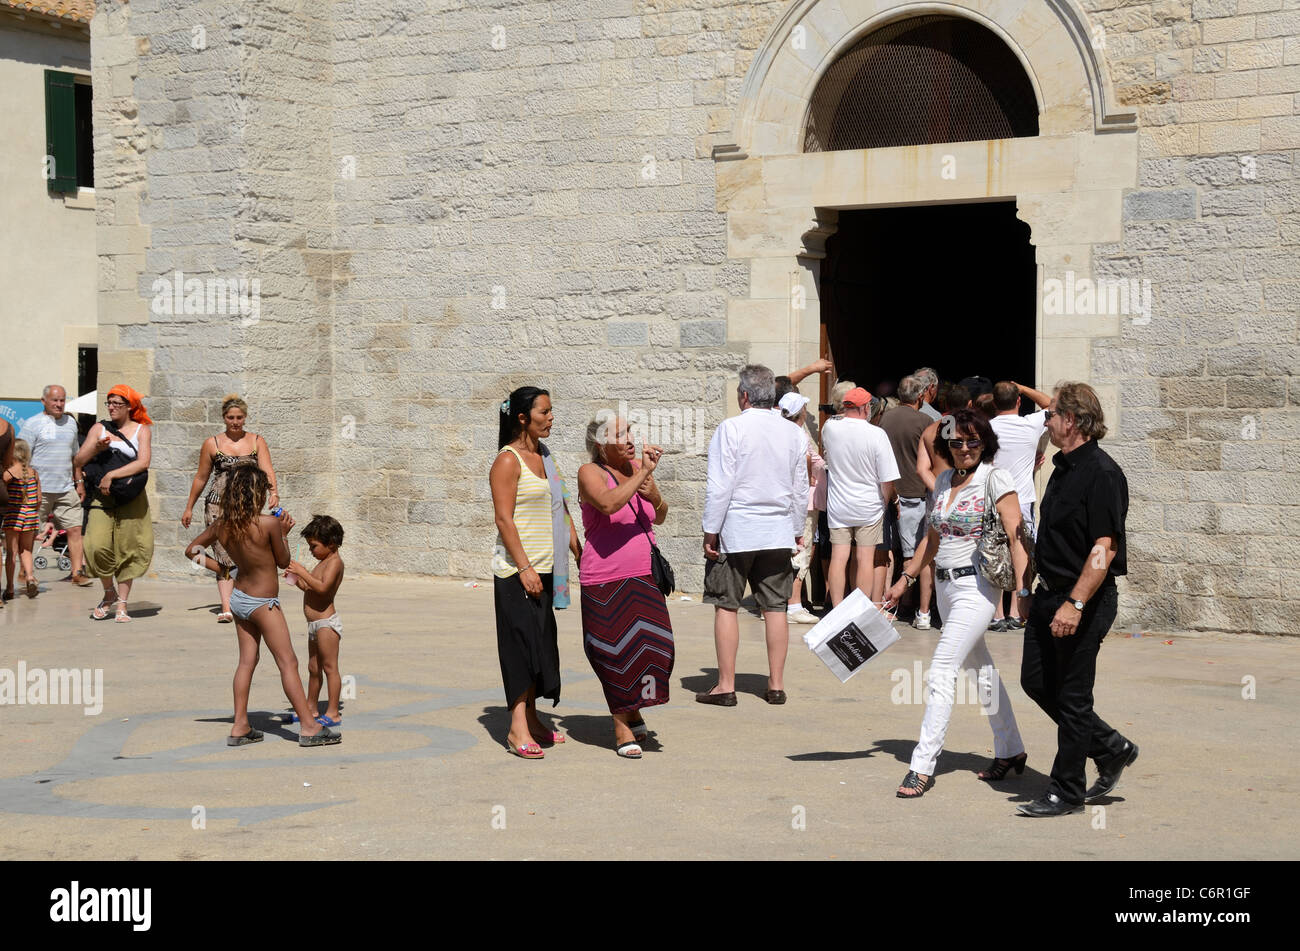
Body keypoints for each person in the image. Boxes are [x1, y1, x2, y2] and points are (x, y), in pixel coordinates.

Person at [884, 409, 1032, 799]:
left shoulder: (994, 478)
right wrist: (905, 580)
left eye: (972, 441)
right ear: (945, 446)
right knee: (981, 671)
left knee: (940, 672)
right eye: (955, 442)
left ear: (985, 444)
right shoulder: (945, 479)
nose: (964, 448)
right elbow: (932, 539)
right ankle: (1011, 749)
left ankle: (922, 766)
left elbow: (1018, 537)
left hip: (977, 589)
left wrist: (1022, 592)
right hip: (946, 593)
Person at [1017, 383, 1135, 817]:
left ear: (1072, 421)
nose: (1045, 422)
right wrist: (1028, 589)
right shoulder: (1062, 466)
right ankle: (1110, 746)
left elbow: (1104, 547)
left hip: (1082, 600)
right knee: (1035, 682)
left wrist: (1077, 603)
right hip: (1048, 595)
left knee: (1072, 696)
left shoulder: (1103, 474)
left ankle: (1065, 791)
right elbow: (1049, 535)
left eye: (1051, 415)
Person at [186, 467, 339, 747]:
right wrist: (284, 534)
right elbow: (283, 562)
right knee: (288, 662)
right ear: (256, 493)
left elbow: (191, 550)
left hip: (239, 599)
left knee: (247, 662)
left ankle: (240, 726)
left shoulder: (222, 524)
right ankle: (308, 727)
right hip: (263, 603)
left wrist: (222, 568)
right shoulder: (267, 524)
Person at [698, 364, 809, 706]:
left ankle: (726, 685)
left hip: (738, 529)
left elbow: (720, 485)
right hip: (777, 529)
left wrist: (710, 530)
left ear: (744, 395)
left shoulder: (731, 428)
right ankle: (776, 685)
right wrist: (796, 530)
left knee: (726, 606)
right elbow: (799, 487)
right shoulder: (793, 432)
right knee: (776, 607)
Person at [490, 386, 581, 759]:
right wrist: (524, 566)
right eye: (544, 412)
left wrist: (578, 549)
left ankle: (533, 716)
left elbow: (561, 508)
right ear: (523, 417)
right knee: (520, 649)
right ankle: (516, 727)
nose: (551, 418)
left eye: (551, 410)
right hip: (515, 571)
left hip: (547, 569)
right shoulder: (507, 461)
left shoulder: (546, 457)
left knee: (542, 649)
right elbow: (503, 518)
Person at [577, 415, 674, 758]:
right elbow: (608, 504)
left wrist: (656, 493)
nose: (630, 438)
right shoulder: (590, 473)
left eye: (630, 431)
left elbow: (658, 515)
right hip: (604, 578)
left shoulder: (636, 468)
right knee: (613, 653)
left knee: (652, 648)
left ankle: (633, 709)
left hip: (644, 575)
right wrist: (644, 474)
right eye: (619, 434)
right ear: (601, 444)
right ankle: (621, 725)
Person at [181, 395, 280, 623]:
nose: (235, 421)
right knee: (222, 554)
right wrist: (189, 507)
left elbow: (267, 470)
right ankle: (226, 606)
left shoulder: (256, 441)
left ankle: (244, 595)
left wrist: (274, 494)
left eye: (239, 417)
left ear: (245, 418)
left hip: (247, 505)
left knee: (245, 550)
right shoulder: (212, 444)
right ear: (224, 418)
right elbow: (201, 477)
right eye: (230, 417)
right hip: (218, 503)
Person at [74, 386, 154, 623]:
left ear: (129, 406)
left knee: (128, 547)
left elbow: (143, 463)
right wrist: (96, 448)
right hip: (102, 496)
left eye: (117, 404)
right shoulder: (99, 428)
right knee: (96, 544)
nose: (111, 407)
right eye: (109, 403)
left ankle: (122, 604)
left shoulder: (142, 430)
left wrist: (112, 475)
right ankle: (109, 592)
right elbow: (78, 460)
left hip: (131, 496)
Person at [821, 386, 899, 608]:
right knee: (865, 559)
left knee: (839, 557)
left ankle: (837, 607)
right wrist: (886, 502)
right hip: (868, 505)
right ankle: (859, 609)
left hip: (839, 504)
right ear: (866, 408)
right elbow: (887, 480)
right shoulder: (877, 434)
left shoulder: (830, 429)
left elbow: (835, 418)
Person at [988, 380, 1052, 631]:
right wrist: (1023, 389)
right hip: (1022, 498)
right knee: (1021, 553)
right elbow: (1053, 404)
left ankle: (996, 614)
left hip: (993, 498)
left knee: (993, 553)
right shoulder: (1031, 424)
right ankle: (1017, 610)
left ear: (994, 403)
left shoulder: (986, 428)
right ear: (1018, 402)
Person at [18, 385, 91, 585]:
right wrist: (25, 485)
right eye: (54, 400)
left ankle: (77, 573)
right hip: (38, 489)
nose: (59, 404)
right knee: (30, 533)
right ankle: (26, 572)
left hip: (66, 487)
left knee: (75, 529)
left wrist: (79, 483)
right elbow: (21, 457)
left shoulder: (71, 423)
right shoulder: (32, 424)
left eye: (62, 400)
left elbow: (75, 457)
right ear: (44, 401)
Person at [879, 374, 935, 627]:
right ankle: (910, 605)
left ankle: (890, 601)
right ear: (921, 395)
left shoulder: (885, 418)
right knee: (915, 554)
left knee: (891, 551)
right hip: (916, 493)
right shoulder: (925, 421)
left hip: (890, 493)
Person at [285, 515, 346, 728]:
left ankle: (333, 712)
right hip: (313, 625)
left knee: (330, 667)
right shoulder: (322, 562)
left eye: (314, 546)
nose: (311, 550)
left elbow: (322, 588)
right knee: (313, 667)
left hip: (326, 624)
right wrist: (297, 579)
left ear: (331, 544)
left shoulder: (335, 563)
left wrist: (303, 571)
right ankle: (311, 707)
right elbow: (311, 587)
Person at [778, 391, 823, 624]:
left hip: (780, 501)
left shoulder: (776, 432)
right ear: (800, 413)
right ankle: (794, 604)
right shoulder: (798, 434)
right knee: (801, 551)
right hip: (799, 502)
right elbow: (809, 460)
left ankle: (783, 602)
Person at [3, 440, 42, 600]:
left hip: (14, 515)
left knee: (11, 553)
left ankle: (10, 587)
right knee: (26, 550)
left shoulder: (9, 473)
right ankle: (30, 577)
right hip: (31, 515)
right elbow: (39, 499)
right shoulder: (34, 473)